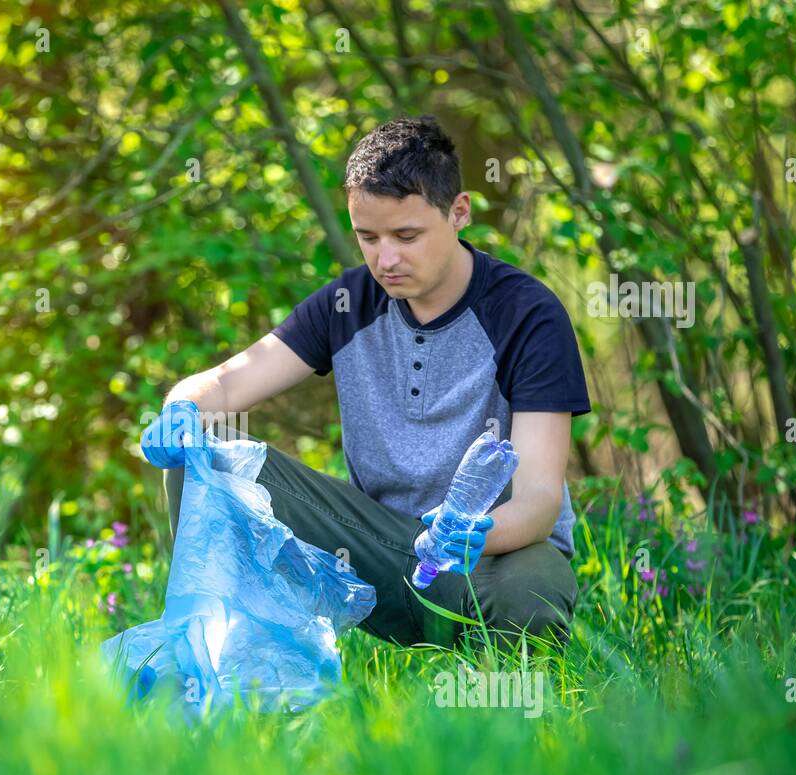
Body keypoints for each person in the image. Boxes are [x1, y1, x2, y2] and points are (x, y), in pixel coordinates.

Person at [141, 116, 591, 651]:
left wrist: (473, 535)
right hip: (373, 552)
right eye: (367, 237)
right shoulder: (347, 303)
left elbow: (539, 500)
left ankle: (495, 695)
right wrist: (181, 409)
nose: (386, 259)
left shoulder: (527, 314)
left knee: (532, 597)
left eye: (407, 235)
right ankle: (232, 660)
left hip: (489, 554)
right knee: (199, 461)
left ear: (459, 213)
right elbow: (226, 384)